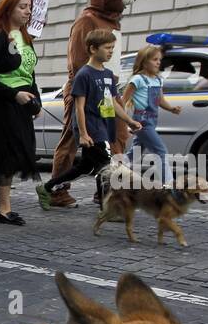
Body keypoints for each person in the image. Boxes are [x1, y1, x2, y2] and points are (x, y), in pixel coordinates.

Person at [38, 28, 140, 208]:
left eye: (112, 48)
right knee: (107, 166)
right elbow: (79, 107)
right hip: (91, 129)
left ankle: (47, 187)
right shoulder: (84, 75)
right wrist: (83, 134)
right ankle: (106, 206)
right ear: (93, 49)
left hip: (103, 126)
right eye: (107, 48)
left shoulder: (108, 75)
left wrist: (128, 121)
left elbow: (114, 103)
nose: (111, 52)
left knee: (86, 167)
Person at [0, 0, 43, 225]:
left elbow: (30, 72)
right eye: (22, 7)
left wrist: (37, 102)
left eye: (29, 7)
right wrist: (13, 94)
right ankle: (3, 208)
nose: (27, 11)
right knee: (5, 152)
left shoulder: (25, 38)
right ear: (9, 8)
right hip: (2, 103)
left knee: (7, 153)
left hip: (22, 103)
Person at [120, 45, 181, 187]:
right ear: (144, 61)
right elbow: (122, 101)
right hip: (142, 121)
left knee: (135, 152)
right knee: (161, 151)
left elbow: (160, 100)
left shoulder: (158, 80)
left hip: (152, 119)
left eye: (159, 59)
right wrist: (125, 122)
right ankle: (169, 185)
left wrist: (171, 109)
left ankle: (115, 168)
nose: (158, 62)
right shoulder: (138, 79)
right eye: (154, 59)